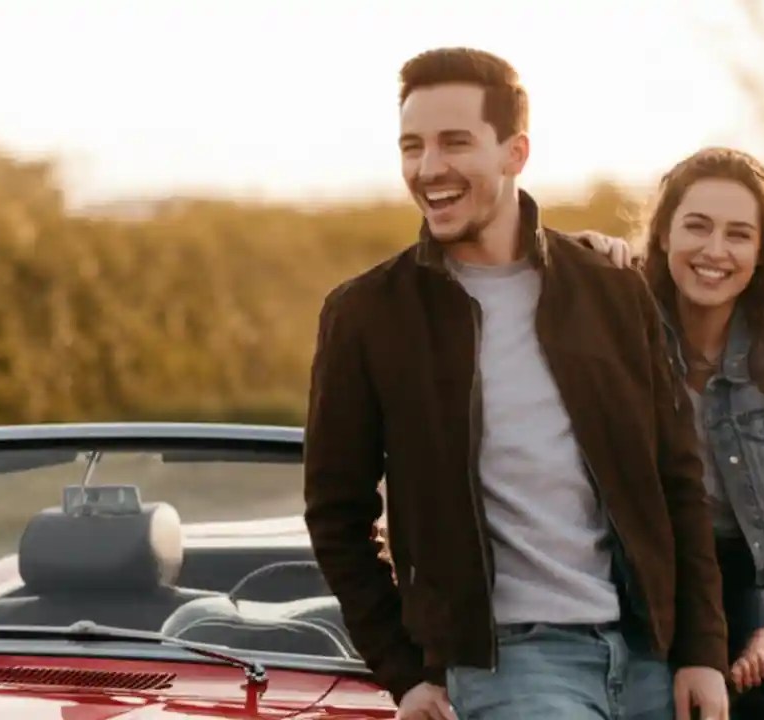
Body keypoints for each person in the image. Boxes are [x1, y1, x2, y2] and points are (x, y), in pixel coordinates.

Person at [303, 47, 732, 720]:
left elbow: (678, 479)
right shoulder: (368, 316)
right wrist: (404, 672)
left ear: (515, 152)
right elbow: (336, 515)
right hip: (510, 670)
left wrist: (703, 649)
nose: (428, 168)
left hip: (649, 655)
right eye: (412, 146)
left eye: (454, 143)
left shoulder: (611, 293)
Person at [578, 146, 764, 720]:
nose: (714, 251)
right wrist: (580, 259)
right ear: (662, 235)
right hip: (638, 584)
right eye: (696, 227)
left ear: (763, 253)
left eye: (738, 234)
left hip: (749, 583)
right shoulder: (622, 330)